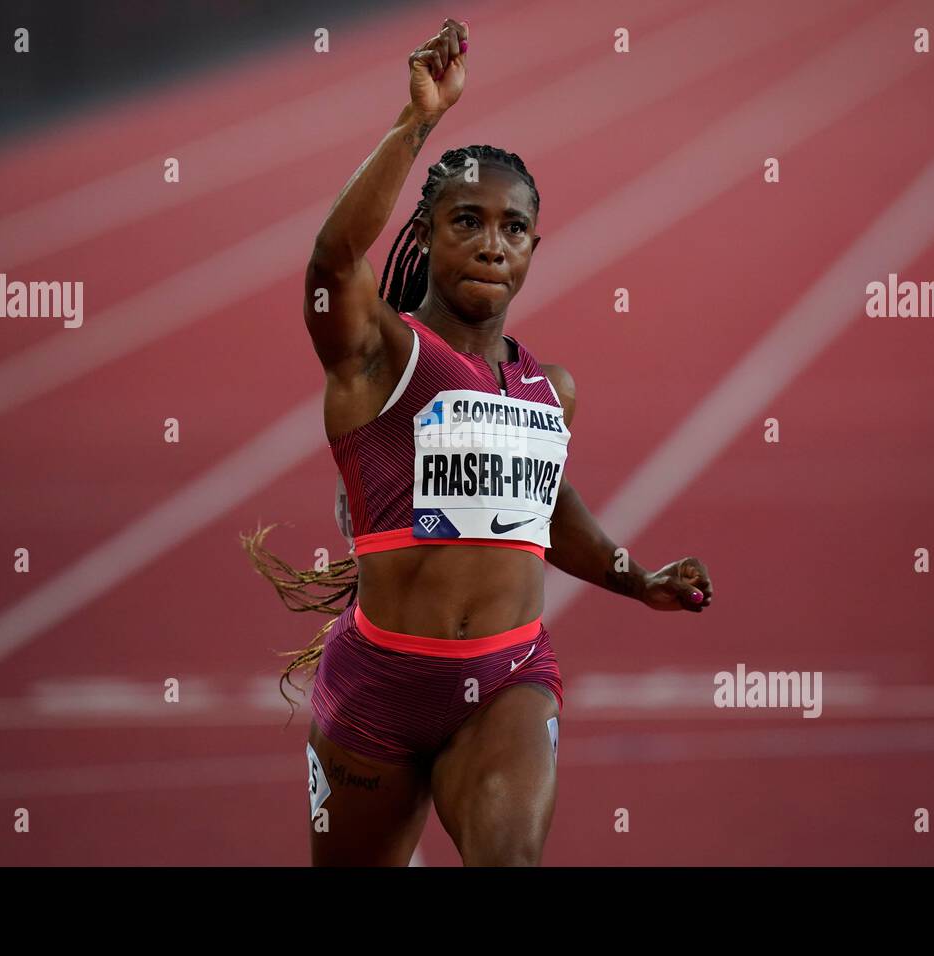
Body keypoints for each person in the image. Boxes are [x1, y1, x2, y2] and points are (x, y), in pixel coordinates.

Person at [244, 17, 713, 866]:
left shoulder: (549, 388)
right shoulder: (378, 356)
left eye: (513, 227)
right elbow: (328, 264)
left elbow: (548, 509)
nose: (491, 243)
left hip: (507, 678)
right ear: (424, 235)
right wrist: (416, 122)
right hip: (378, 685)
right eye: (467, 220)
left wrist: (633, 577)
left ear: (535, 245)